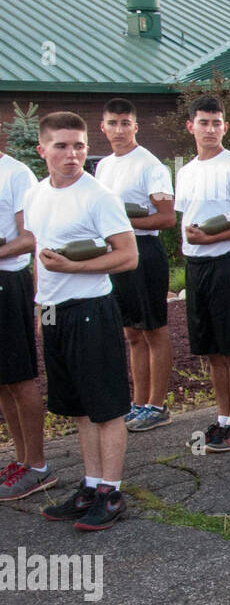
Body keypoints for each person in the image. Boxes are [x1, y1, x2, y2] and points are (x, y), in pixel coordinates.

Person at [26, 112, 138, 530]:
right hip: (56, 313)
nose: (72, 154)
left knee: (105, 407)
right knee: (78, 407)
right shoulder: (37, 195)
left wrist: (73, 270)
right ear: (43, 151)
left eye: (79, 146)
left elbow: (128, 256)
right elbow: (42, 259)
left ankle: (111, 491)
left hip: (92, 311)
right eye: (61, 146)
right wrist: (42, 308)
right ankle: (90, 486)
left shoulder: (98, 196)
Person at [174, 95, 230, 452]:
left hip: (229, 265)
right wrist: (197, 241)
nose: (210, 129)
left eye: (217, 123)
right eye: (203, 122)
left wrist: (212, 236)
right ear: (190, 126)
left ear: (226, 126)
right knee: (211, 350)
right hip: (196, 268)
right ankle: (222, 419)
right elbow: (185, 219)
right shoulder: (186, 170)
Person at [94, 98, 176, 431]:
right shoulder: (103, 166)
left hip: (144, 254)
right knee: (132, 334)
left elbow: (167, 217)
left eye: (125, 123)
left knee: (154, 330)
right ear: (103, 127)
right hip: (117, 255)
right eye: (113, 123)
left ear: (135, 127)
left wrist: (122, 226)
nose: (119, 129)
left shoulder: (150, 165)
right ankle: (139, 402)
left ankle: (157, 405)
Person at [0, 151, 51, 501]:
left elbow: (30, 237)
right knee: (3, 380)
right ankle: (19, 461)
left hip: (8, 282)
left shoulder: (16, 174)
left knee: (19, 377)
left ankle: (37, 466)